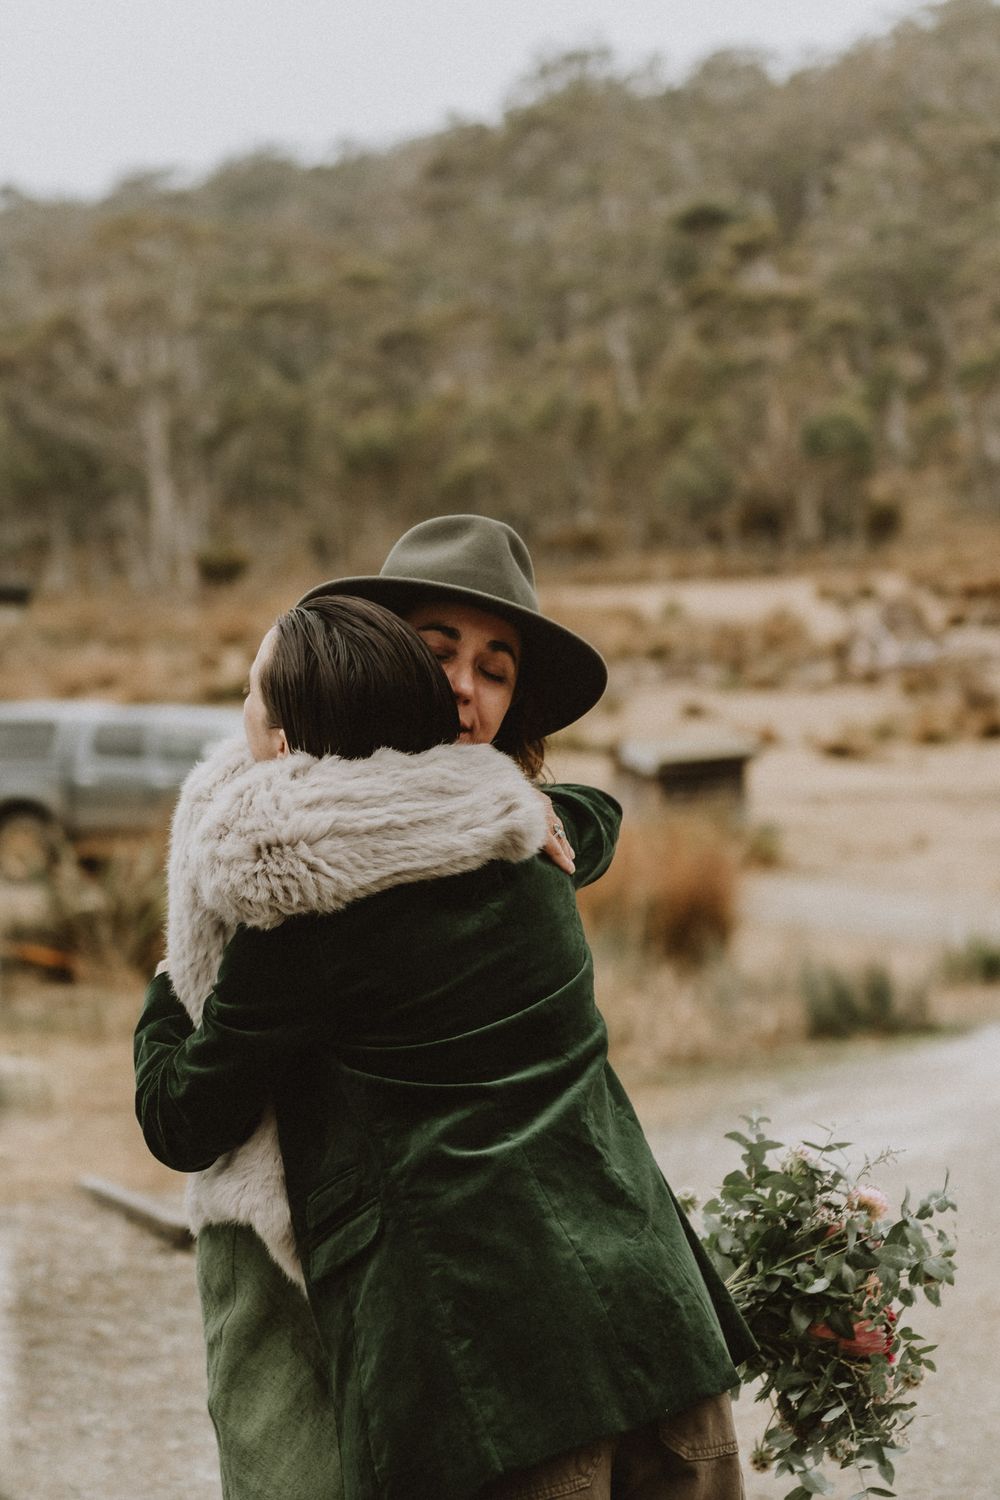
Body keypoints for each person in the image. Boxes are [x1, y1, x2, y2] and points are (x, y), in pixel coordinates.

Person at [135, 516, 755, 1500]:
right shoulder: (539, 841)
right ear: (375, 665)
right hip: (658, 1325)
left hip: (493, 1381)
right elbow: (593, 812)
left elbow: (181, 1118)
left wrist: (178, 972)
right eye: (438, 655)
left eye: (495, 668)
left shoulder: (300, 901)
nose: (466, 689)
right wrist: (521, 804)